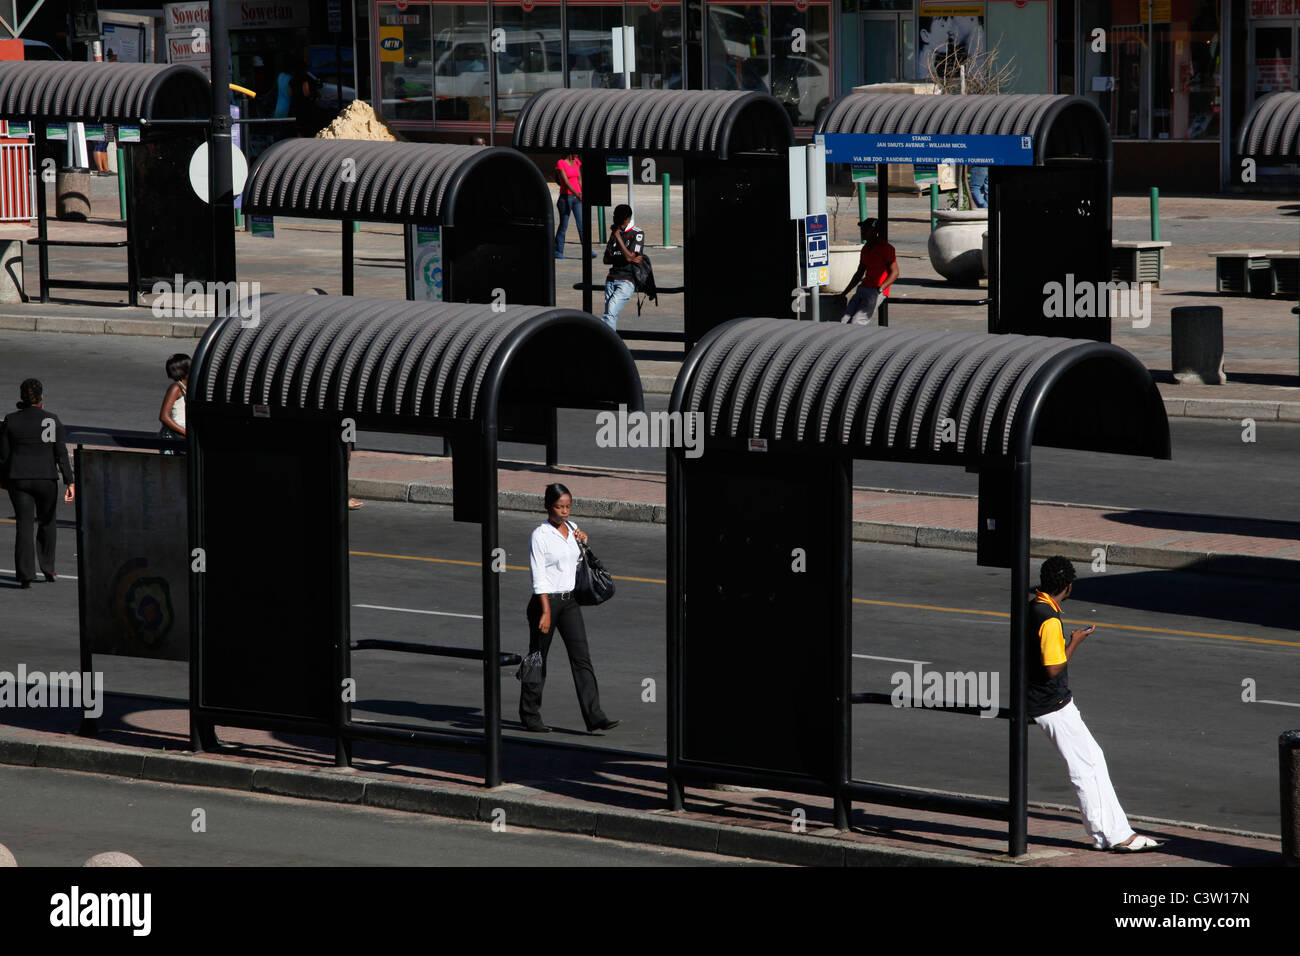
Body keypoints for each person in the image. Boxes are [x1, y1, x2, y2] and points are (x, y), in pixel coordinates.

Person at [1028, 557, 1161, 852]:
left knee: (1091, 760)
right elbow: (1052, 668)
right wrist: (1075, 641)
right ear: (1069, 586)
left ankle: (1106, 833)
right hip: (1051, 704)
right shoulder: (1048, 618)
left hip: (1047, 702)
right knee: (1085, 766)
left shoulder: (1033, 607)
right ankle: (1115, 836)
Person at [519, 483, 618, 734]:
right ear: (547, 507)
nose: (564, 512)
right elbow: (538, 576)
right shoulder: (539, 536)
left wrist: (583, 542)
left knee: (581, 657)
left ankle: (595, 716)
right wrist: (545, 611)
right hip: (546, 603)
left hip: (569, 601)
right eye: (559, 507)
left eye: (568, 507)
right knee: (537, 657)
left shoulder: (572, 528)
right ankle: (530, 715)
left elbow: (576, 562)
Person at [0, 379, 75, 588]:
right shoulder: (51, 420)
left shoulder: (11, 420)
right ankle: (48, 567)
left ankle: (25, 574)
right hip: (46, 478)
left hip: (19, 478)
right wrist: (70, 481)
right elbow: (60, 453)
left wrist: (3, 479)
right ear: (41, 396)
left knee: (24, 526)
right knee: (47, 522)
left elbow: (3, 456)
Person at [838, 218, 899, 326]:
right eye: (862, 229)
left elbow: (895, 273)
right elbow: (859, 273)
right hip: (863, 288)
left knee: (857, 322)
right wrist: (844, 293)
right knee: (844, 320)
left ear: (875, 232)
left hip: (875, 291)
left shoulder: (886, 248)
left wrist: (880, 289)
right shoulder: (865, 249)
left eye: (866, 229)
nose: (862, 232)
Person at [600, 204, 643, 332]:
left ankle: (609, 345)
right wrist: (627, 256)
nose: (615, 220)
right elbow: (606, 259)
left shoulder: (637, 233)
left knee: (609, 314)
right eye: (614, 216)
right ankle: (611, 344)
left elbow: (630, 258)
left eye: (618, 217)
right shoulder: (614, 233)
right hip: (611, 278)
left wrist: (618, 239)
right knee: (610, 314)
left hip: (627, 280)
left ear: (627, 219)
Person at [554, 153, 591, 259]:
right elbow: (565, 182)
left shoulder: (576, 162)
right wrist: (576, 194)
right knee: (564, 225)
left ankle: (587, 250)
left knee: (581, 224)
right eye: (576, 152)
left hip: (577, 197)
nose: (578, 154)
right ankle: (558, 251)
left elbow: (579, 179)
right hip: (566, 198)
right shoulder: (561, 163)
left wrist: (582, 193)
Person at [158, 353, 189, 454]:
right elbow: (164, 417)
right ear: (185, 371)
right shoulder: (176, 388)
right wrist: (185, 432)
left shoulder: (187, 387)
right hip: (175, 434)